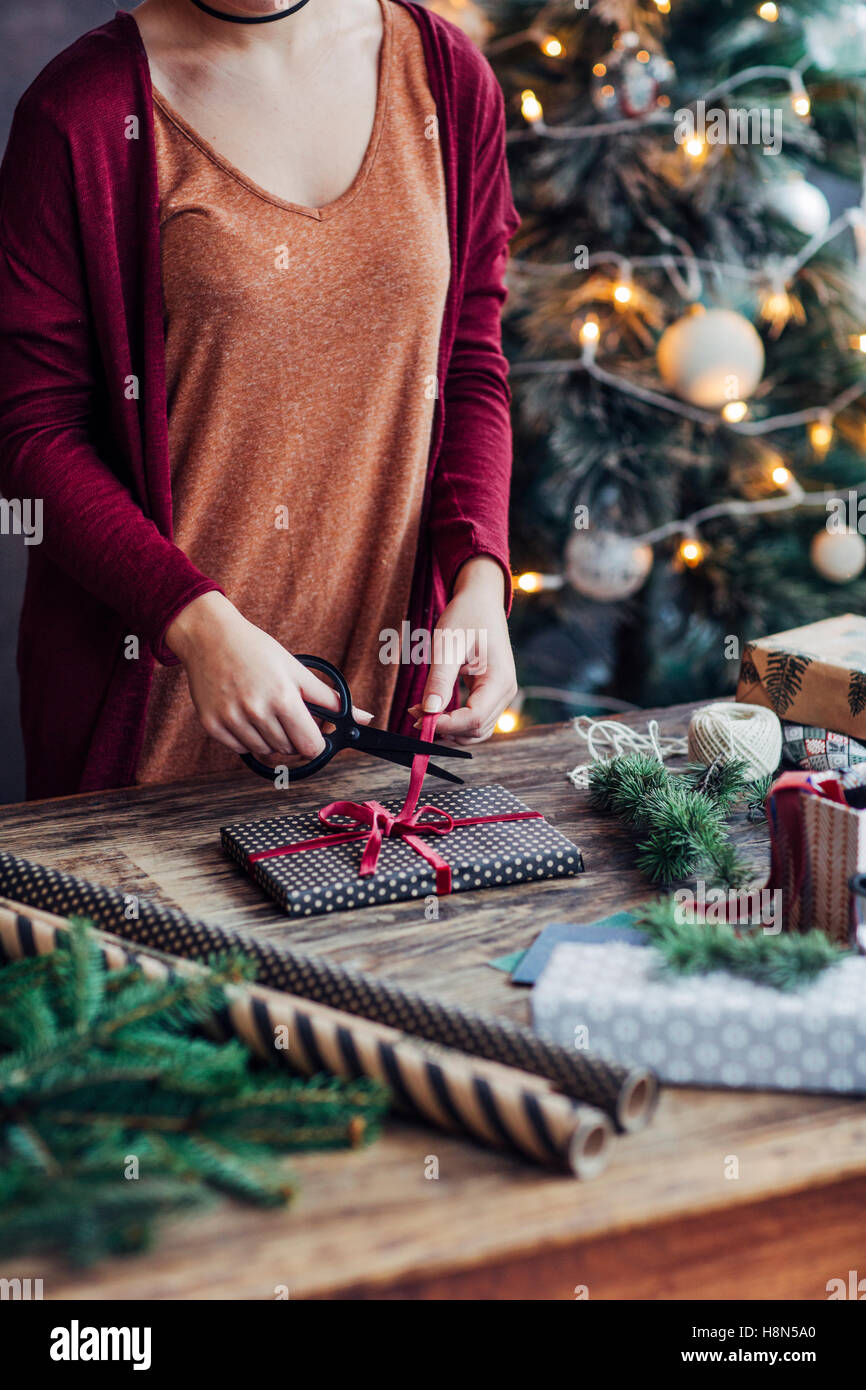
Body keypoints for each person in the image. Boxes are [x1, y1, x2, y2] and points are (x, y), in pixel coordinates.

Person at [0, 0, 520, 798]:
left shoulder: (448, 80)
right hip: (152, 730)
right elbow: (30, 431)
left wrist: (481, 578)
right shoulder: (82, 112)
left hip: (383, 717)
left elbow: (468, 362)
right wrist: (196, 624)